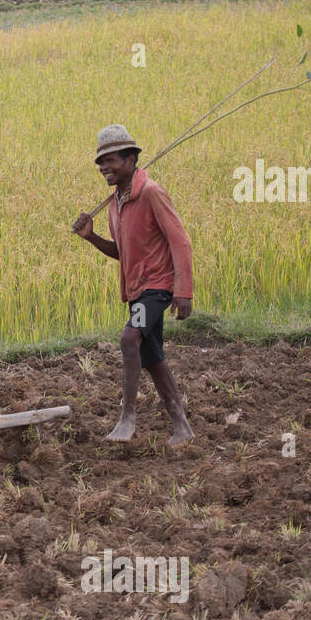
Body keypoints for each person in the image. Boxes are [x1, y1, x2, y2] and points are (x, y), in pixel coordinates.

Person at [71, 125, 195, 446]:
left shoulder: (151, 192)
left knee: (129, 338)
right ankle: (181, 426)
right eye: (100, 163)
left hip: (157, 288)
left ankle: (127, 417)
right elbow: (122, 253)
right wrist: (93, 238)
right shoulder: (116, 204)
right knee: (152, 357)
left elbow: (180, 242)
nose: (103, 168)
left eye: (110, 160)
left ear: (131, 159)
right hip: (136, 291)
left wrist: (184, 291)